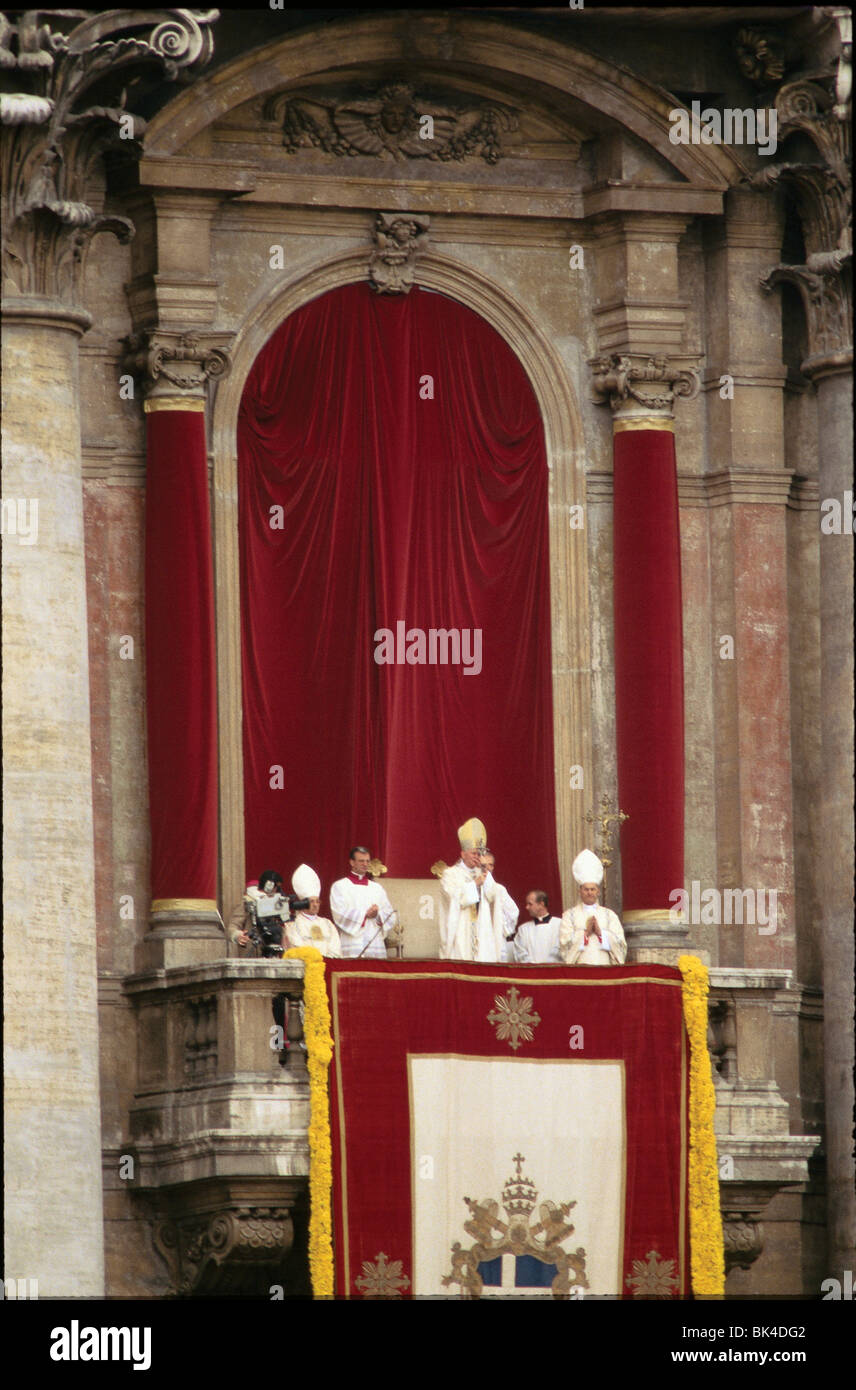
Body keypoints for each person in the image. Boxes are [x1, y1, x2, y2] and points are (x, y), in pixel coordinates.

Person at [439, 818, 506, 961]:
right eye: (474, 853)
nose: (477, 857)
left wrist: (484, 873)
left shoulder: (482, 873)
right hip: (461, 930)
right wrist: (474, 884)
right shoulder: (450, 874)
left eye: (479, 854)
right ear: (463, 854)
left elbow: (493, 895)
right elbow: (453, 897)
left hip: (481, 929)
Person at [329, 846, 399, 959]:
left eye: (367, 861)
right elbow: (339, 913)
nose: (365, 864)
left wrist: (377, 915)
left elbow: (390, 914)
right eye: (361, 861)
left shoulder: (377, 888)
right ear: (352, 862)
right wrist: (364, 915)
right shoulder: (340, 886)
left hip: (374, 941)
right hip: (352, 941)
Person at [559, 849, 627, 965]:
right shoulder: (569, 915)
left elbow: (620, 943)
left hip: (604, 966)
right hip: (580, 968)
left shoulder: (609, 915)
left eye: (592, 889)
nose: (589, 893)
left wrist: (601, 933)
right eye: (586, 889)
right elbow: (564, 945)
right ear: (580, 892)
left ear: (598, 892)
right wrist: (586, 933)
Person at [284, 864, 342, 957]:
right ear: (303, 903)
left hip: (329, 964)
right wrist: (314, 958)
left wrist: (327, 959)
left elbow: (335, 946)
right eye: (311, 901)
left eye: (317, 901)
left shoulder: (327, 924)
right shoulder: (293, 925)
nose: (315, 905)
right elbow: (297, 947)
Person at [227, 870, 286, 956]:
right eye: (275, 887)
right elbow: (232, 927)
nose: (276, 890)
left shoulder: (276, 905)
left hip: (272, 952)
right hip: (253, 953)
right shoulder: (247, 903)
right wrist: (238, 936)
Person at [480, 849, 519, 963]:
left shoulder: (499, 889)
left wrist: (501, 927)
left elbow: (513, 912)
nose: (486, 868)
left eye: (490, 865)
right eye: (483, 865)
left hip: (495, 937)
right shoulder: (472, 886)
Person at [512, 890, 563, 965]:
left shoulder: (561, 924)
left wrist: (547, 966)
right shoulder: (523, 929)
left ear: (541, 904)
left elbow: (562, 947)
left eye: (530, 904)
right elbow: (520, 952)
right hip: (530, 973)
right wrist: (533, 967)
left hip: (554, 971)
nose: (527, 907)